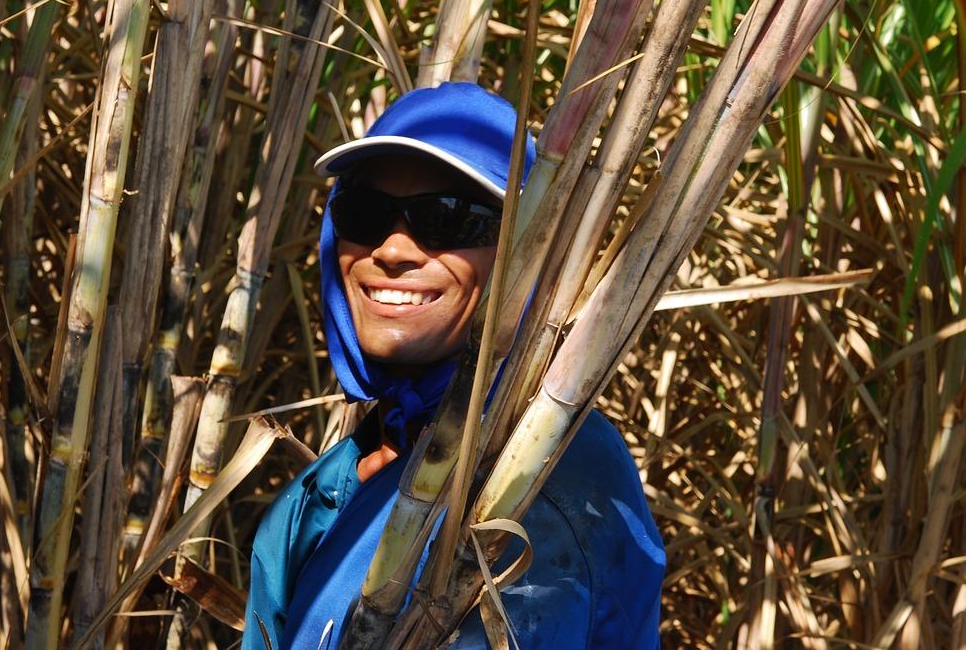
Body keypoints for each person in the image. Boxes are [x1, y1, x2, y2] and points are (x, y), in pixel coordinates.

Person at [242, 82, 665, 649]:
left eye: (449, 218)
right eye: (364, 212)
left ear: (525, 250)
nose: (392, 250)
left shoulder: (541, 486)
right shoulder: (333, 483)